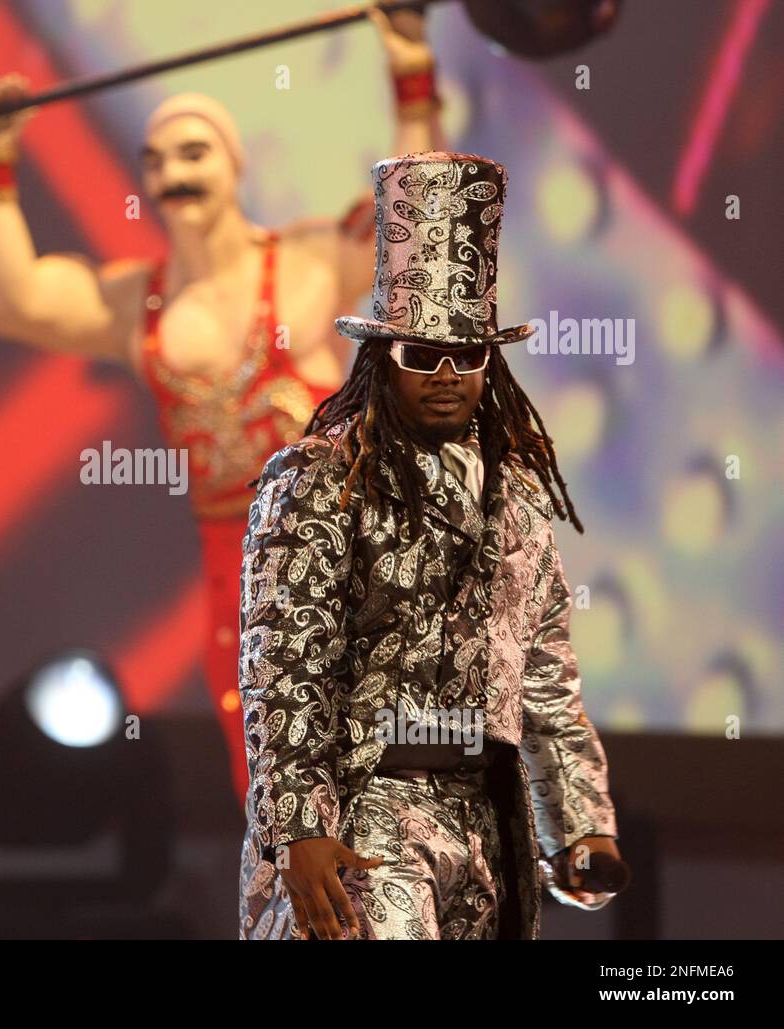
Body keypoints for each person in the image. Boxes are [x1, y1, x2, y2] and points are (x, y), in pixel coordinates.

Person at [0, 9, 443, 804]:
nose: (172, 174)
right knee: (281, 786)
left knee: (385, 770)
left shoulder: (309, 259)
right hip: (241, 571)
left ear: (236, 166)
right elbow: (15, 301)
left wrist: (411, 70)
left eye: (194, 153)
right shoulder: (136, 303)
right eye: (155, 160)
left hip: (353, 540)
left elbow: (420, 224)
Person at [237, 152, 628, 940]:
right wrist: (298, 825)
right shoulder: (322, 477)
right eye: (422, 354)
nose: (446, 373)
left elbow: (544, 675)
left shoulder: (516, 497)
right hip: (366, 813)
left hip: (484, 821)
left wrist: (580, 824)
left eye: (468, 353)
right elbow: (284, 661)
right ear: (383, 355)